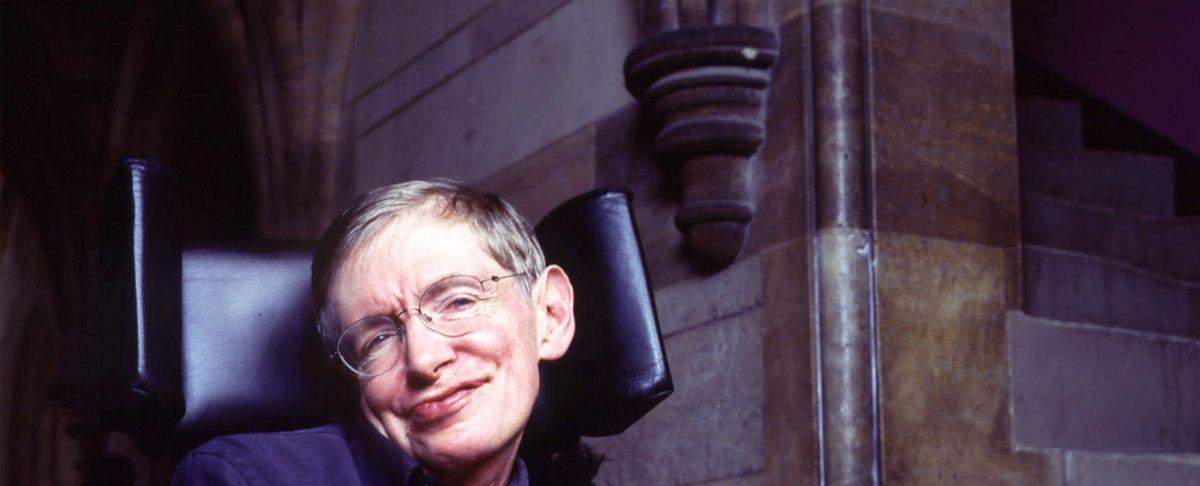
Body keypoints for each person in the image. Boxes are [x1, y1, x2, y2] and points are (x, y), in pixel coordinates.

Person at [171, 180, 577, 485]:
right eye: (378, 339)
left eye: (458, 302)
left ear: (550, 314)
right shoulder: (243, 478)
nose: (423, 359)